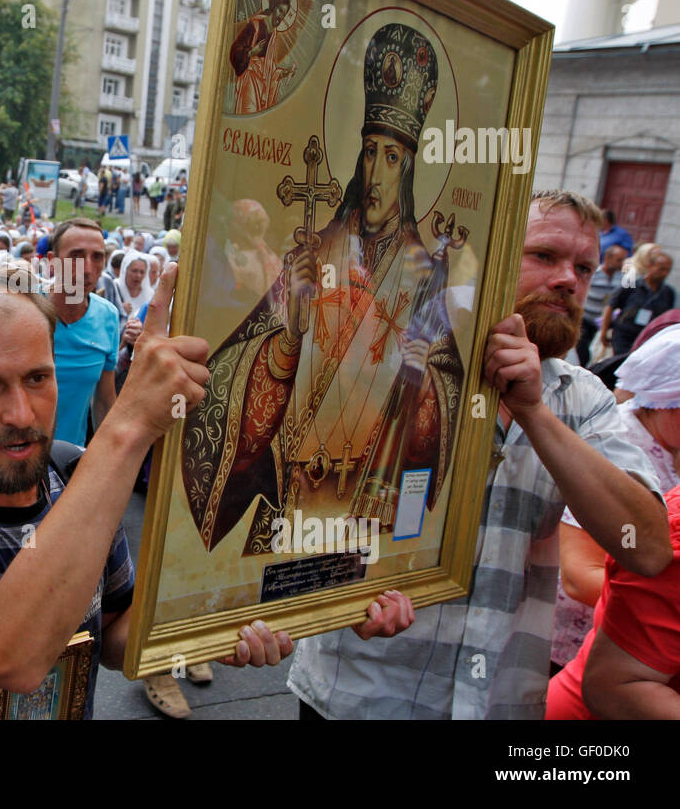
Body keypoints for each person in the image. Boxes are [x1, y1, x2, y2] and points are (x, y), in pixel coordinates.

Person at [0, 265, 350, 719]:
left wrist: (210, 631)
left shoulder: (79, 475)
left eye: (38, 377)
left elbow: (112, 633)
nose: (21, 414)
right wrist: (129, 426)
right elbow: (7, 656)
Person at [283, 190, 670, 718]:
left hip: (500, 705)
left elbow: (645, 548)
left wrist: (534, 413)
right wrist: (341, 592)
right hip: (361, 695)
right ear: (489, 258)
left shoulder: (582, 398)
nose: (569, 280)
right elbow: (304, 502)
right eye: (544, 256)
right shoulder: (388, 358)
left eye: (583, 266)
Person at [183, 23, 465, 552]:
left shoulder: (425, 277)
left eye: (392, 158)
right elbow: (236, 400)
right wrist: (289, 335)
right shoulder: (313, 257)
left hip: (364, 510)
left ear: (408, 172)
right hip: (288, 502)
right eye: (369, 153)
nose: (376, 175)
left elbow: (442, 422)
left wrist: (422, 377)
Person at [546, 327, 680, 718]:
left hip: (632, 644)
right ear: (666, 403)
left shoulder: (670, 443)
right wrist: (652, 602)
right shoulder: (619, 443)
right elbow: (576, 573)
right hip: (575, 645)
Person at [44, 218, 118, 447]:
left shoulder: (107, 316)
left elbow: (104, 402)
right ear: (52, 262)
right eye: (76, 256)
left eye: (97, 257)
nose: (87, 269)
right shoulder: (22, 309)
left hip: (68, 463)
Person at [229, 0, 298, 115]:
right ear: (273, 7)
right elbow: (235, 50)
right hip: (250, 81)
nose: (281, 17)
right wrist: (250, 52)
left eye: (284, 14)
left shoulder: (274, 36)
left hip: (263, 85)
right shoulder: (255, 26)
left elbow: (269, 68)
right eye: (280, 11)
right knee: (248, 115)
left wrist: (283, 73)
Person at [603, 248, 674, 355]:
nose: (664, 273)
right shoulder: (631, 285)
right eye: (661, 269)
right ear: (650, 266)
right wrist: (604, 331)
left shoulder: (668, 293)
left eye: (667, 270)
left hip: (647, 339)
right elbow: (611, 306)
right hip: (624, 335)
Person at [577, 243, 625, 365]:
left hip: (605, 323)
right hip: (586, 320)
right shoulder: (593, 273)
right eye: (619, 260)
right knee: (582, 353)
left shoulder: (621, 277)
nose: (622, 263)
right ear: (608, 258)